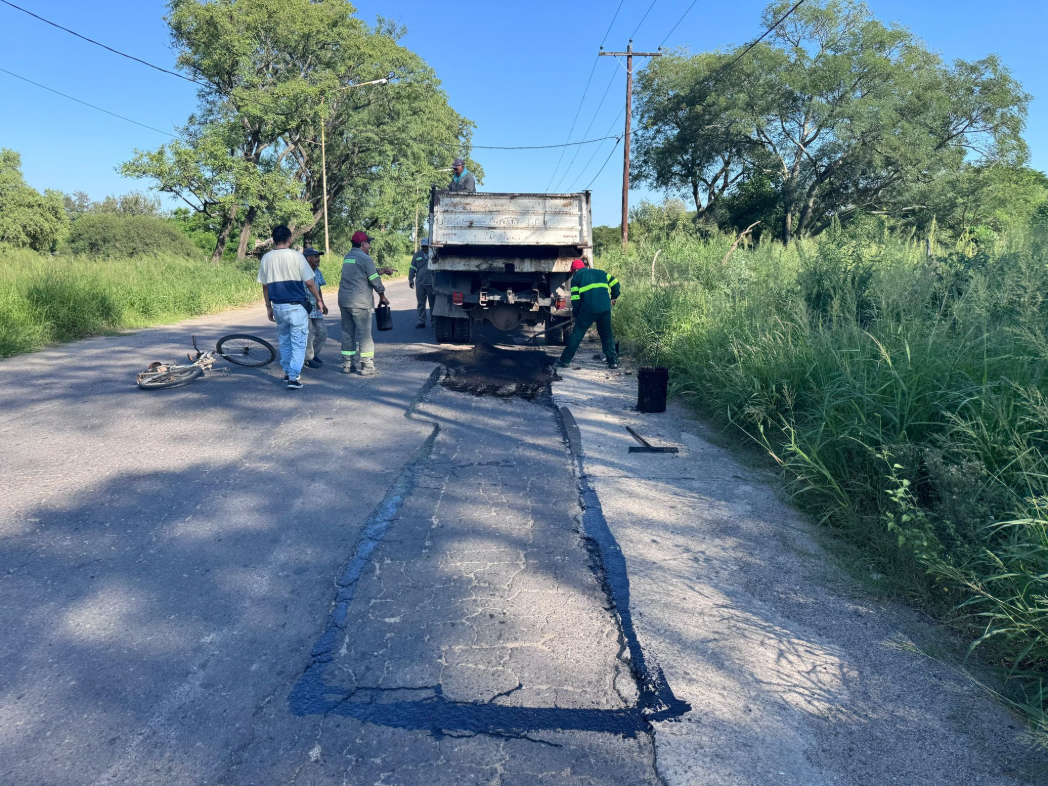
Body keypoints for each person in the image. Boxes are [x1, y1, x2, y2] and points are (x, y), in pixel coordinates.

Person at [258, 225, 325, 389]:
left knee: (285, 342)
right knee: (299, 343)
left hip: (278, 307)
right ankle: (293, 377)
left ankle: (288, 372)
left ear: (274, 240)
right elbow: (309, 282)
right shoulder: (296, 256)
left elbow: (265, 286)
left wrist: (268, 307)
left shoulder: (266, 258)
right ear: (289, 239)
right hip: (296, 307)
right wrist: (319, 300)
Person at [338, 230, 389, 376]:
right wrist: (382, 295)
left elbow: (362, 273)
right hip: (360, 302)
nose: (370, 246)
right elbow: (373, 279)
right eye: (369, 243)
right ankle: (367, 366)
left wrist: (383, 270)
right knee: (364, 335)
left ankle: (347, 365)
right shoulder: (366, 258)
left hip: (344, 301)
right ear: (362, 244)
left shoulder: (348, 257)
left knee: (347, 333)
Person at [557, 259, 621, 370]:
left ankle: (564, 361)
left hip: (588, 311)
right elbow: (616, 284)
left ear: (575, 270)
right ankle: (613, 362)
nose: (573, 273)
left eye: (573, 271)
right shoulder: (601, 273)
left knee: (577, 335)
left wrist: (575, 314)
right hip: (605, 309)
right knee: (606, 335)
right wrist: (614, 297)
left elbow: (576, 300)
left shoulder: (576, 279)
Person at [302, 247, 328, 369]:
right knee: (309, 333)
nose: (318, 259)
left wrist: (322, 303)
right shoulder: (300, 271)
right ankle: (308, 358)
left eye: (319, 256)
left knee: (322, 333)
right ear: (308, 258)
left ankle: (314, 354)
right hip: (305, 307)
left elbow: (318, 288)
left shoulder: (317, 271)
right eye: (316, 257)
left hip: (316, 306)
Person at [408, 237, 435, 328]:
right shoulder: (417, 255)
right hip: (420, 284)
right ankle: (421, 321)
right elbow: (412, 268)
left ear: (429, 246)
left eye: (426, 246)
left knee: (433, 304)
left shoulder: (434, 253)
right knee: (421, 304)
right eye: (423, 246)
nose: (425, 248)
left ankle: (434, 321)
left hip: (431, 284)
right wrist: (411, 279)